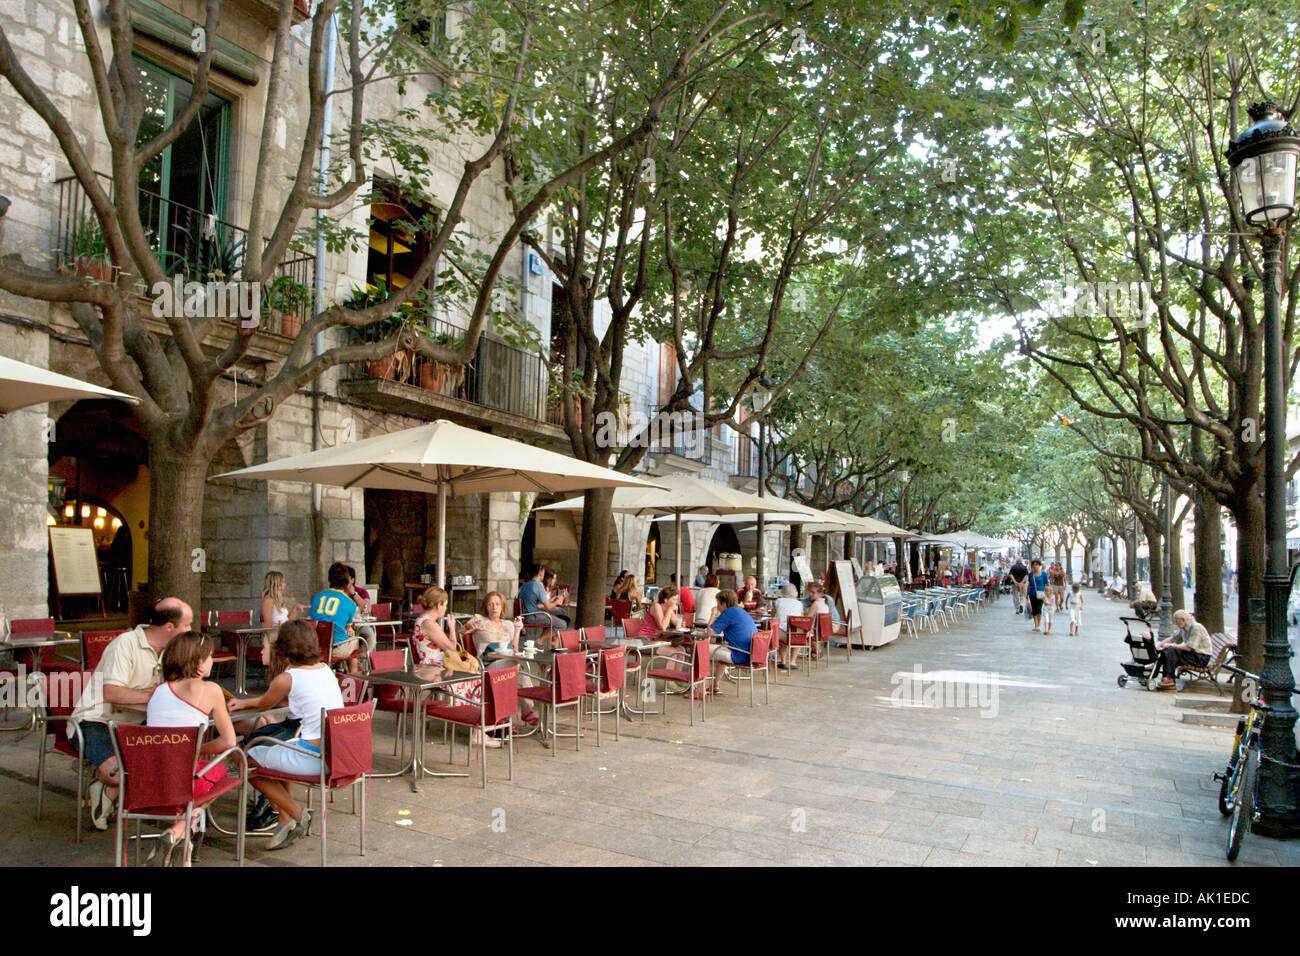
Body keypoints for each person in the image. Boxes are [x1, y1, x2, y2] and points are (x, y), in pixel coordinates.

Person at [70, 597, 193, 831]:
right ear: (169, 627)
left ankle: (118, 792)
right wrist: (155, 696)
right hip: (96, 721)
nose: (189, 630)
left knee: (178, 756)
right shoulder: (124, 644)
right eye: (186, 625)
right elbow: (112, 692)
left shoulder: (172, 650)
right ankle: (109, 785)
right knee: (117, 774)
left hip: (141, 722)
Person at [229, 620, 342, 850]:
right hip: (336, 756)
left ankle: (296, 813)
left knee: (243, 758)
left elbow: (264, 705)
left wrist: (242, 703)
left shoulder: (286, 678)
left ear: (284, 649)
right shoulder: (326, 670)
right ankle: (284, 819)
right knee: (271, 752)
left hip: (311, 758)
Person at [144, 632, 237, 865]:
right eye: (210, 656)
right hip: (185, 783)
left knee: (201, 771)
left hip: (149, 783)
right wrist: (198, 750)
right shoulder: (210, 690)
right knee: (222, 771)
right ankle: (178, 831)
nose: (212, 660)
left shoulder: (158, 691)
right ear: (198, 661)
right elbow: (229, 742)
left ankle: (183, 839)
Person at [462, 591, 538, 735]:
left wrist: (517, 631)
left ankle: (523, 710)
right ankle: (527, 709)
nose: (494, 607)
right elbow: (459, 633)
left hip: (507, 661)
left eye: (497, 604)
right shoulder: (479, 619)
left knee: (515, 665)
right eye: (490, 604)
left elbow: (514, 649)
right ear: (486, 606)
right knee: (516, 666)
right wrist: (467, 628)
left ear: (502, 606)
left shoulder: (508, 624)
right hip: (487, 663)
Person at [309, 561, 360, 671]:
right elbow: (347, 628)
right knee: (354, 640)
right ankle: (353, 677)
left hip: (316, 647)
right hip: (335, 648)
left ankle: (337, 667)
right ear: (347, 582)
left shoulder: (317, 597)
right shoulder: (350, 603)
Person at [706, 590, 756, 696]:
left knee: (700, 651)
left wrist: (713, 613)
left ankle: (697, 686)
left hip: (739, 654)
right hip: (751, 654)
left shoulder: (728, 612)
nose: (717, 606)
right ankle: (715, 685)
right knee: (720, 652)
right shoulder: (740, 611)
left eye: (718, 603)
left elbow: (710, 631)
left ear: (724, 603)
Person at [1150, 609, 1212, 690]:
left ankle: (1169, 679)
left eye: (1177, 622)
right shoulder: (1185, 627)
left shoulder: (1196, 628)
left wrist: (1172, 645)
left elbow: (1189, 648)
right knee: (1166, 651)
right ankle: (1153, 674)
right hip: (1194, 655)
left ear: (1183, 620)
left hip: (1201, 658)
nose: (1176, 624)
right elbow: (1173, 638)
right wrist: (1160, 644)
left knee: (1172, 650)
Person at [519, 562, 570, 630]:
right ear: (540, 573)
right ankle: (551, 640)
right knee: (562, 624)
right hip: (534, 616)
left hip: (525, 615)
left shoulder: (524, 585)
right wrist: (557, 602)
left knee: (555, 619)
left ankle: (543, 640)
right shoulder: (538, 585)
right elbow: (548, 606)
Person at [344, 565, 378, 656]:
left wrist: (354, 594)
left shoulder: (361, 592)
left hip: (360, 624)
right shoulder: (339, 593)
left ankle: (362, 659)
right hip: (344, 625)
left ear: (352, 580)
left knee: (370, 637)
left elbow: (368, 608)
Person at [772, 582, 804, 671]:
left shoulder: (778, 601)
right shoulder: (799, 604)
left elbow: (773, 614)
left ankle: (783, 661)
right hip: (796, 633)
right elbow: (801, 616)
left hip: (780, 633)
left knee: (782, 640)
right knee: (797, 634)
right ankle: (793, 662)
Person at [1026, 559, 1048, 632]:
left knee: (1039, 608)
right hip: (1032, 593)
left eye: (1036, 565)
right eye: (1034, 565)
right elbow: (1029, 584)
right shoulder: (1030, 574)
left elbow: (1047, 584)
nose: (1035, 566)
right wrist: (1027, 593)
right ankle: (1036, 625)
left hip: (1041, 593)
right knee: (1034, 609)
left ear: (1039, 565)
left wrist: (1048, 594)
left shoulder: (1044, 574)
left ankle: (1039, 624)